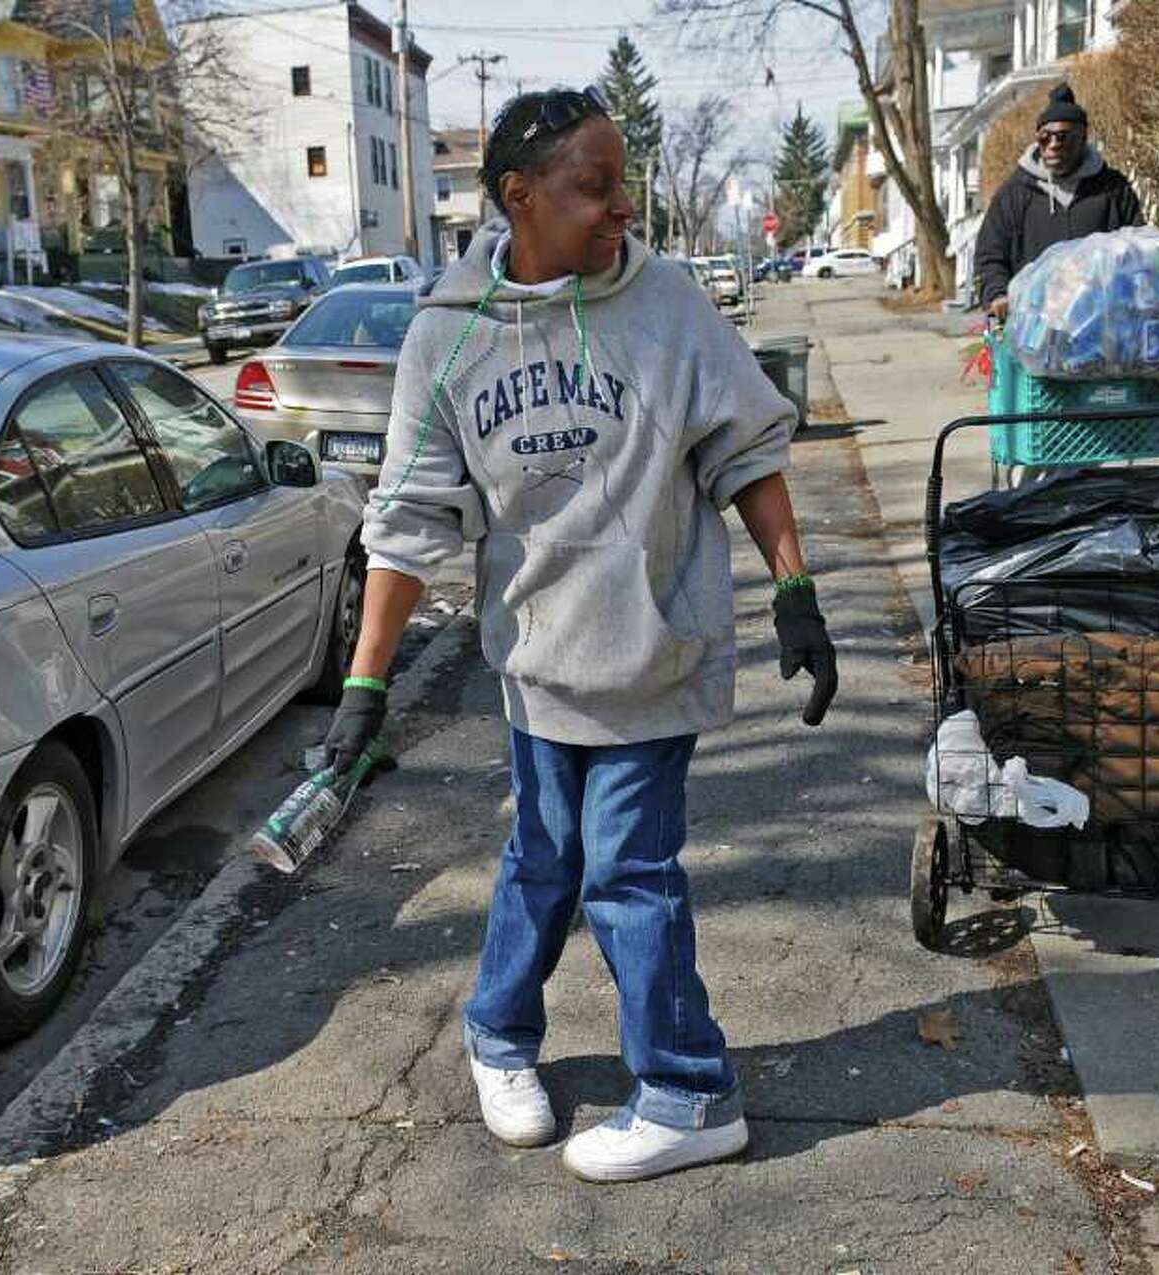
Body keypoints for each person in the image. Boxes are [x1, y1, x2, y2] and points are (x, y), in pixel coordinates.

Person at [317, 86, 838, 1184]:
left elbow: (748, 451)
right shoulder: (446, 338)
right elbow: (407, 525)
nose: (620, 207)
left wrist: (796, 591)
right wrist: (365, 688)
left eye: (623, 182)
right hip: (538, 660)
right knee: (542, 861)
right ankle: (499, 1038)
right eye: (592, 186)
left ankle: (691, 1092)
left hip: (656, 647)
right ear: (518, 196)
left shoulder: (672, 307)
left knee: (628, 871)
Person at [975, 83, 1144, 320]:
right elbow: (990, 255)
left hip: (1099, 323)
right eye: (1045, 138)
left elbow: (1138, 250)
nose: (1053, 144)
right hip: (1032, 324)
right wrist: (997, 294)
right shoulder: (1014, 194)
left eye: (1063, 137)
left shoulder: (1113, 189)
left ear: (1083, 138)